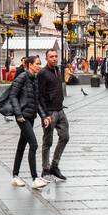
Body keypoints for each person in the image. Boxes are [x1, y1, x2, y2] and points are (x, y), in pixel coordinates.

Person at [9, 55, 47, 190]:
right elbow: (13, 96)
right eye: (37, 63)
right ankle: (34, 178)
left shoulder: (35, 79)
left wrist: (44, 117)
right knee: (34, 145)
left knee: (21, 145)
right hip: (23, 117)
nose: (39, 66)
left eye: (39, 63)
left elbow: (37, 101)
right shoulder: (22, 77)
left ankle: (15, 176)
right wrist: (18, 114)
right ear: (30, 64)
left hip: (30, 116)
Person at [37, 48, 69, 181]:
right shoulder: (43, 73)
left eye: (56, 56)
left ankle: (54, 165)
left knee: (65, 137)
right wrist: (45, 115)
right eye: (51, 57)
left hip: (60, 110)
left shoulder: (58, 70)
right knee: (47, 141)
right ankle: (45, 169)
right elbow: (39, 96)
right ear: (47, 59)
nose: (54, 59)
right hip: (50, 112)